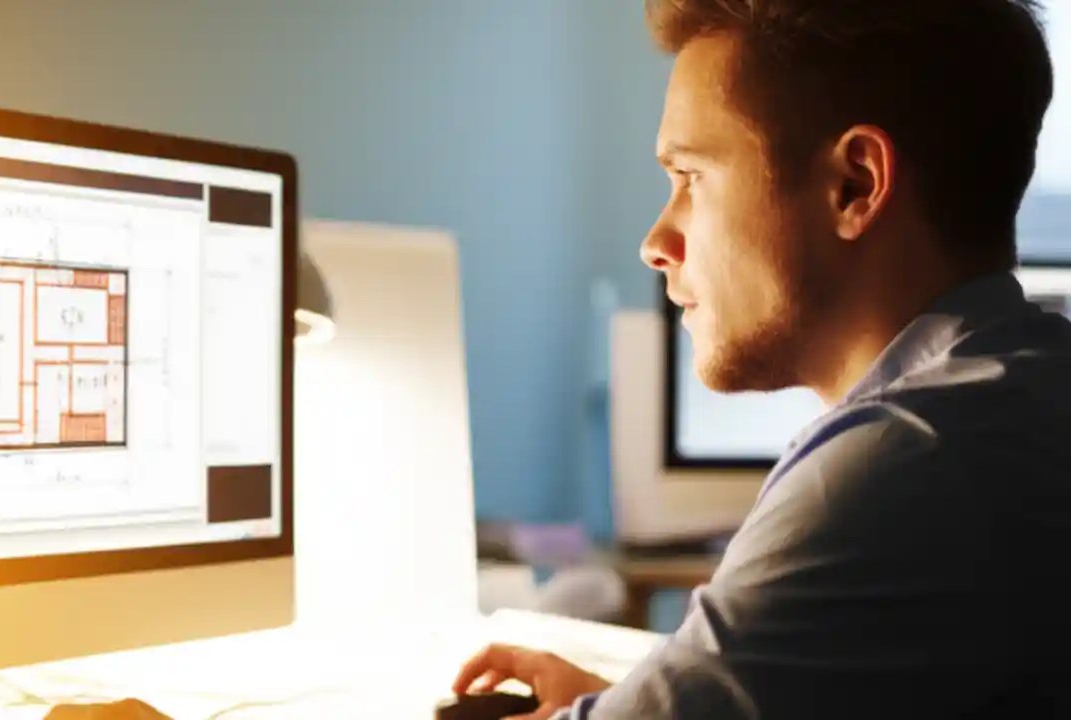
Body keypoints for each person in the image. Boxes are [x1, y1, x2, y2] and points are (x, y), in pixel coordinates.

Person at [452, 1, 1069, 718]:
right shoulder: (1027, 391)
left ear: (855, 186)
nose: (656, 241)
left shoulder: (899, 460)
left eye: (690, 177)